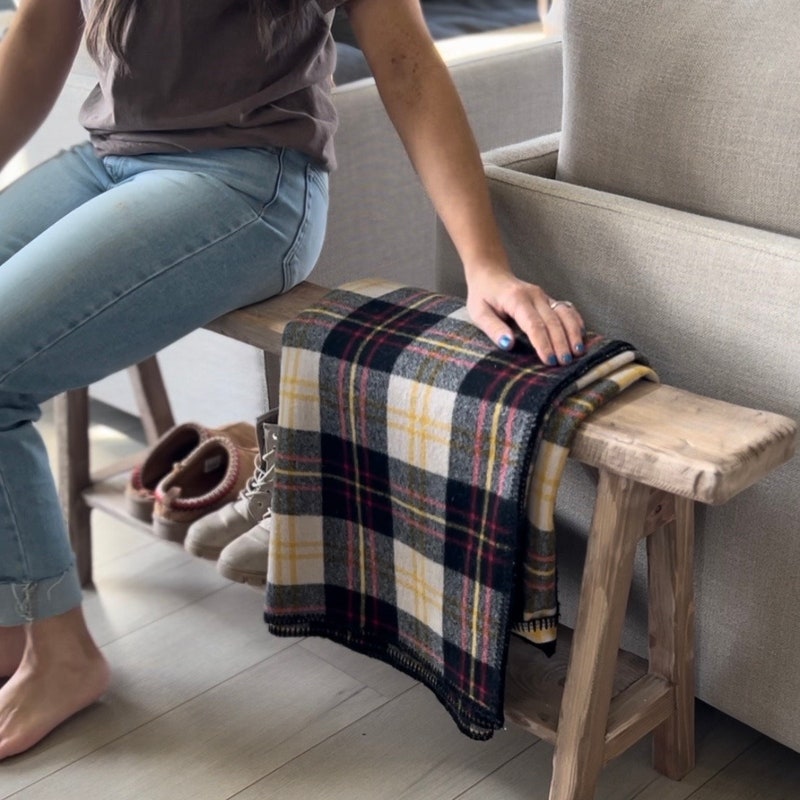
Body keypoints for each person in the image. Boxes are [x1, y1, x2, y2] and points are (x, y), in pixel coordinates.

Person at [0, 0, 585, 760]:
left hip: (244, 177)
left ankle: (62, 652)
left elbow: (404, 54)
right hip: (109, 154)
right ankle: (14, 625)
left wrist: (485, 266)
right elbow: (46, 24)